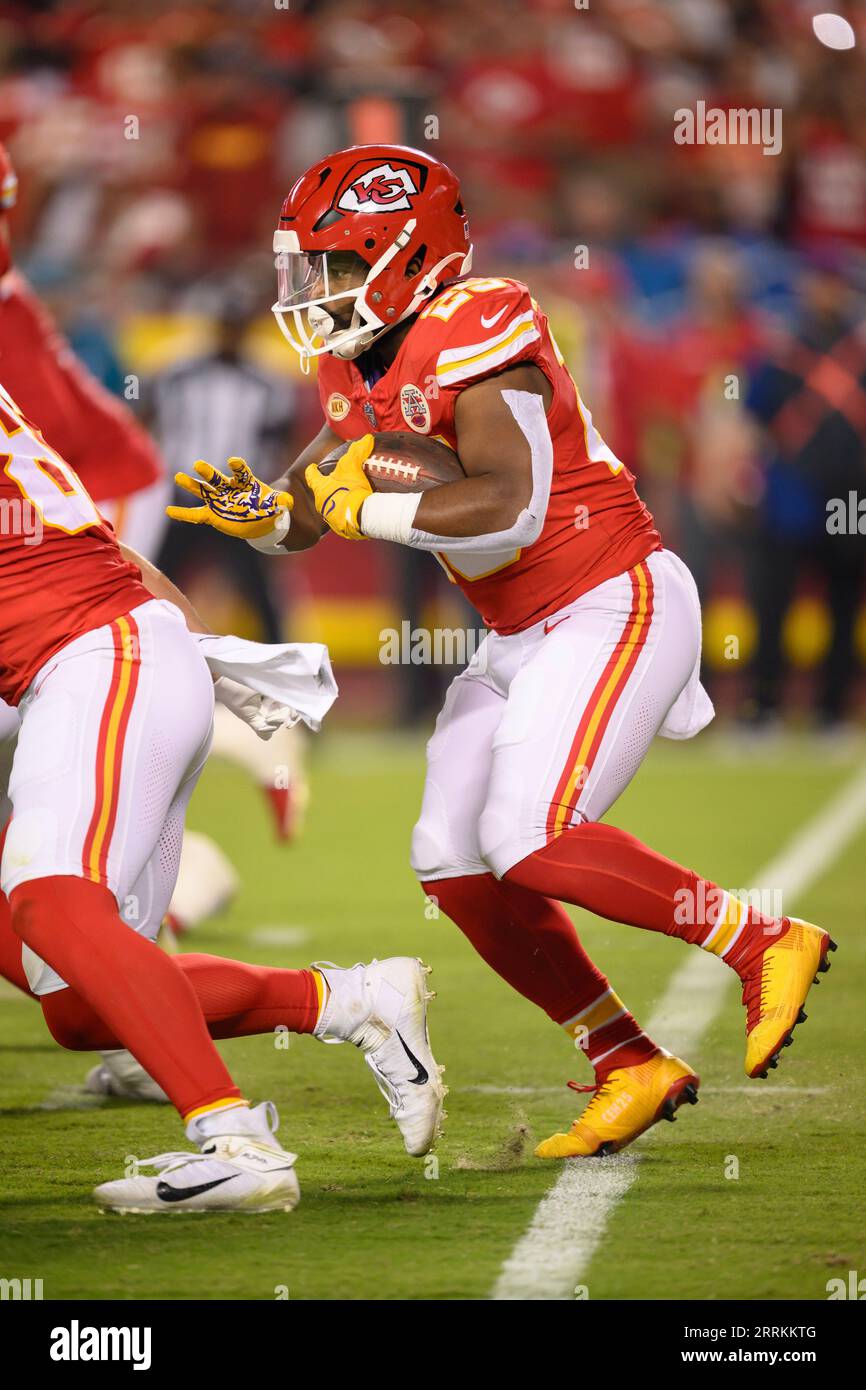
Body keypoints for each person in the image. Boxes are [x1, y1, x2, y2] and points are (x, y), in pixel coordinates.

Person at [168, 145, 834, 1160]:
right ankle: (627, 1058)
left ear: (400, 253)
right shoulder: (366, 361)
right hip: (523, 628)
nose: (315, 290)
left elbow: (510, 507)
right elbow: (307, 511)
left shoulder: (475, 318)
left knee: (529, 830)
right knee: (451, 855)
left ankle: (758, 936)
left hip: (609, 596)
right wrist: (264, 520)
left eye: (333, 264)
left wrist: (371, 505)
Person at [0, 377, 444, 1212]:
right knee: (83, 1008)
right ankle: (353, 999)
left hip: (95, 664)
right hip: (120, 658)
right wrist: (193, 649)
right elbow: (102, 548)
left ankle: (237, 1144)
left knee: (54, 905)